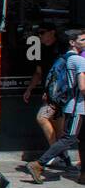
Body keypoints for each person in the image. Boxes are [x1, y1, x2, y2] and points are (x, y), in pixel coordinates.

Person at [28, 29, 85, 184]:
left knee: (82, 139)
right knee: (68, 138)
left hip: (75, 106)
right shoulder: (79, 61)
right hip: (77, 107)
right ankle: (38, 164)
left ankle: (83, 175)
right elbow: (82, 87)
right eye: (82, 40)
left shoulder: (64, 58)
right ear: (72, 43)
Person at [24, 25, 67, 157]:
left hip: (60, 93)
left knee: (42, 118)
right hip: (50, 93)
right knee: (58, 127)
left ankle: (54, 155)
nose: (40, 36)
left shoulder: (62, 49)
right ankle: (62, 157)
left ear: (52, 32)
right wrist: (29, 89)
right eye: (38, 33)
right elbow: (39, 72)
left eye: (42, 32)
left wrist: (52, 91)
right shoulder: (42, 50)